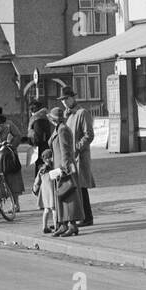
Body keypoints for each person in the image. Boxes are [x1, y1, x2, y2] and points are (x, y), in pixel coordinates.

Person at [61, 89, 96, 227]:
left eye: (66, 99)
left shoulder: (82, 113)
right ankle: (82, 216)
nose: (64, 102)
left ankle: (87, 217)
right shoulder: (68, 115)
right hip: (71, 158)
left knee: (81, 187)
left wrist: (77, 147)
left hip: (80, 157)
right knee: (76, 188)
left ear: (73, 98)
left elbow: (89, 135)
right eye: (62, 100)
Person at [49, 106, 83, 236]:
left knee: (69, 196)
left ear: (54, 120)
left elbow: (65, 151)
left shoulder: (62, 130)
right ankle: (63, 224)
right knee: (61, 196)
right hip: (59, 168)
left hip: (65, 168)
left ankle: (72, 225)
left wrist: (64, 168)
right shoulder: (58, 129)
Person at [0, 104, 24, 212]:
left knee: (12, 180)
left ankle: (16, 204)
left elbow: (18, 135)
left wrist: (11, 145)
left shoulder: (9, 124)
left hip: (8, 156)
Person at [33, 147, 57, 234]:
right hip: (52, 192)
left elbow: (37, 181)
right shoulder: (54, 168)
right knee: (54, 210)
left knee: (46, 210)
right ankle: (56, 226)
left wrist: (35, 190)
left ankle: (44, 226)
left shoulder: (41, 170)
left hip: (44, 193)